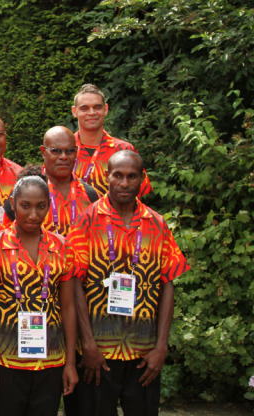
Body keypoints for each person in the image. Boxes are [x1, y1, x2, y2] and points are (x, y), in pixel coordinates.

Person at [68, 150, 189, 415]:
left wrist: (161, 346)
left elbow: (168, 283)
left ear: (141, 179)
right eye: (118, 175)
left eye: (132, 176)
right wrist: (87, 343)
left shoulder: (157, 224)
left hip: (144, 353)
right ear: (106, 176)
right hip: (98, 353)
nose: (124, 183)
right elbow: (75, 283)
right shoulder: (86, 221)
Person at [0, 171, 78, 416]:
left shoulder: (62, 246)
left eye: (40, 207)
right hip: (6, 360)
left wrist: (70, 363)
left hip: (51, 359)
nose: (33, 215)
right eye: (25, 206)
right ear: (12, 204)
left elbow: (67, 307)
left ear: (48, 206)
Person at [3, 127, 98, 236]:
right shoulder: (24, 192)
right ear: (43, 152)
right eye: (56, 151)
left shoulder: (90, 195)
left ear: (76, 152)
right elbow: (7, 239)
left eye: (69, 151)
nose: (63, 157)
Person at [71, 83, 151, 198]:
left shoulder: (124, 150)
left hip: (114, 216)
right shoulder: (62, 150)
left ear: (106, 109)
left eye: (97, 107)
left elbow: (139, 191)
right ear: (74, 111)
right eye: (84, 108)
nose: (92, 112)